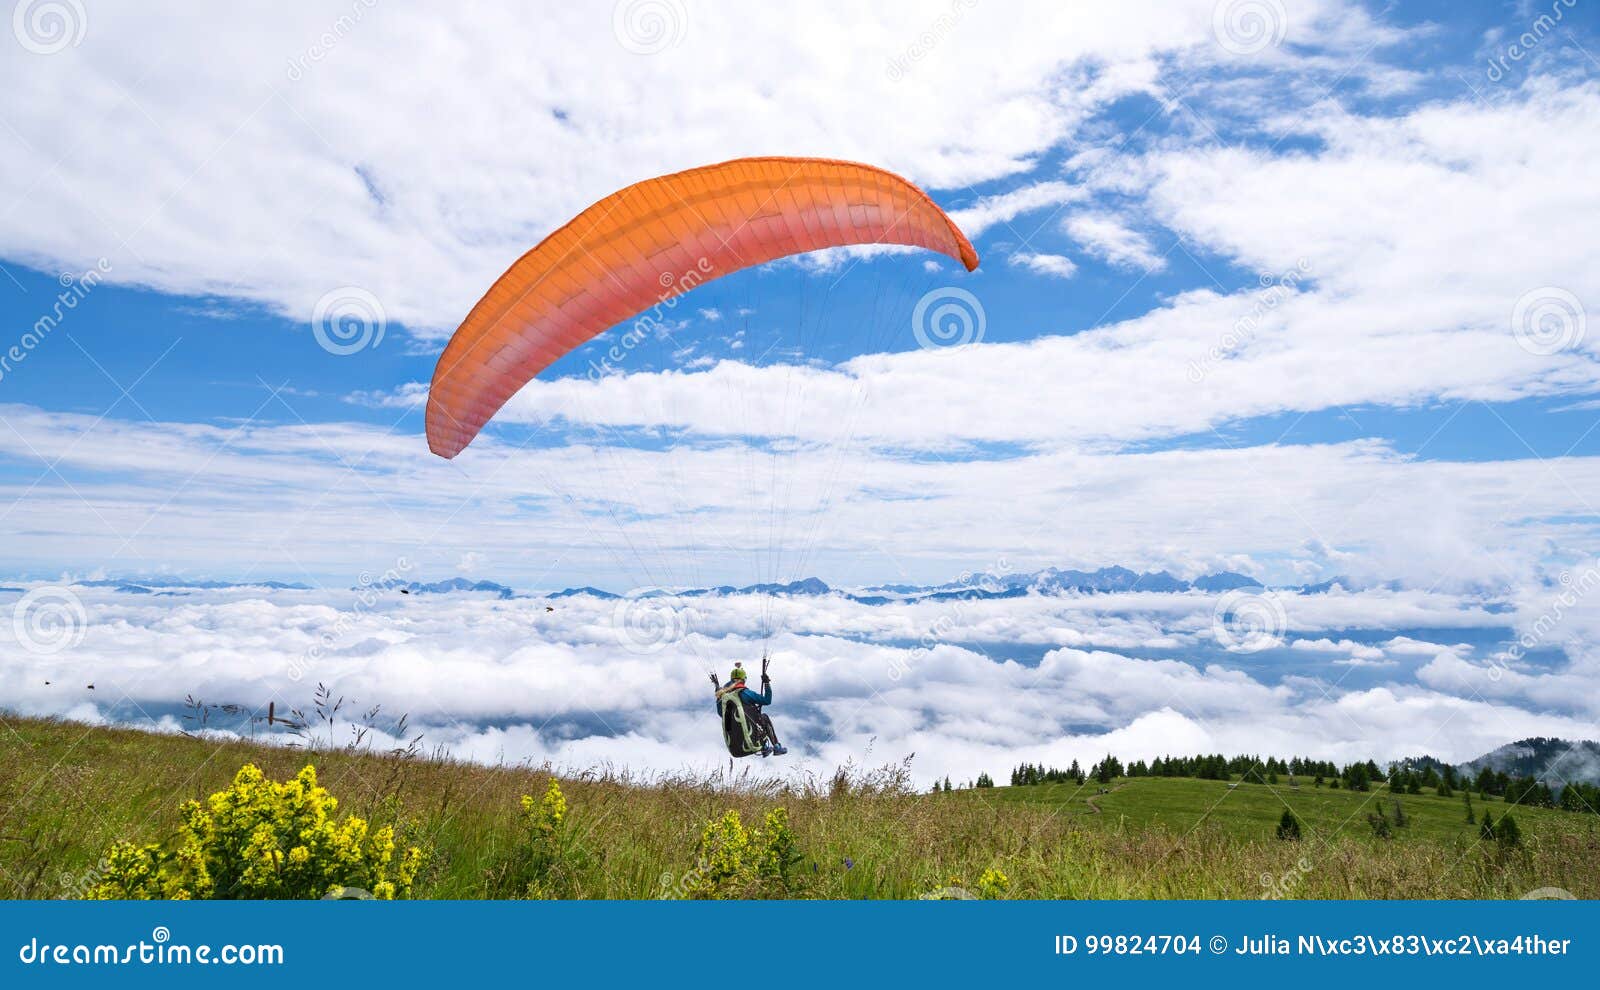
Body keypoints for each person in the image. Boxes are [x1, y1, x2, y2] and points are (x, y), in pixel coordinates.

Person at [714, 664, 787, 757]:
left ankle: (764, 748)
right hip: (751, 737)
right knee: (764, 717)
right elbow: (767, 700)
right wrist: (767, 683)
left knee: (753, 719)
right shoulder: (746, 693)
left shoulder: (724, 698)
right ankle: (776, 747)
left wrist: (718, 698)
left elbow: (721, 714)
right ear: (744, 680)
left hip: (736, 746)